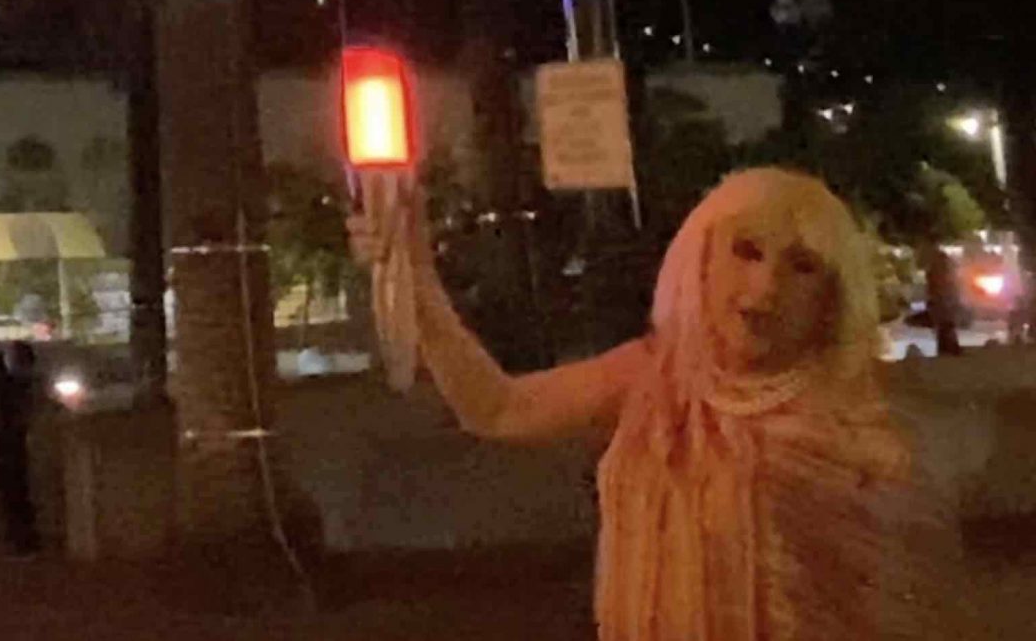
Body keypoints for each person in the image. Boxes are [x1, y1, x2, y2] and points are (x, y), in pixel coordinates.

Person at [353, 167, 975, 641]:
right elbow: (498, 409)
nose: (765, 289)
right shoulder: (650, 376)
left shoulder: (857, 422)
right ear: (700, 260)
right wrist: (415, 278)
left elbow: (906, 603)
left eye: (803, 267)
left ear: (832, 298)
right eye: (746, 251)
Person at [0, 342, 39, 557]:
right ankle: (23, 540)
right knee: (16, 493)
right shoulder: (24, 383)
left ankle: (23, 541)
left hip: (12, 443)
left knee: (14, 492)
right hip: (13, 442)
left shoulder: (15, 384)